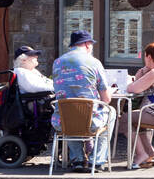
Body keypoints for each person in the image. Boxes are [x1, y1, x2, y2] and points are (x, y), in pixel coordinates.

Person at [50, 30, 116, 171]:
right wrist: (111, 90)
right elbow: (106, 99)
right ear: (87, 44)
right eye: (91, 45)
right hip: (90, 121)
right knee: (112, 112)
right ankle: (96, 161)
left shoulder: (57, 62)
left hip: (62, 122)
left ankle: (78, 160)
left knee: (70, 113)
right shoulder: (94, 63)